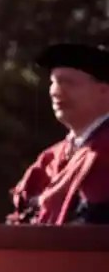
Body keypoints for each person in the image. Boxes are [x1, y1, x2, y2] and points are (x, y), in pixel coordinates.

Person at [9, 42, 109, 225]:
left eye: (69, 83)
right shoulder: (49, 158)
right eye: (53, 82)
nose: (55, 92)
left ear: (104, 91)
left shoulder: (104, 152)